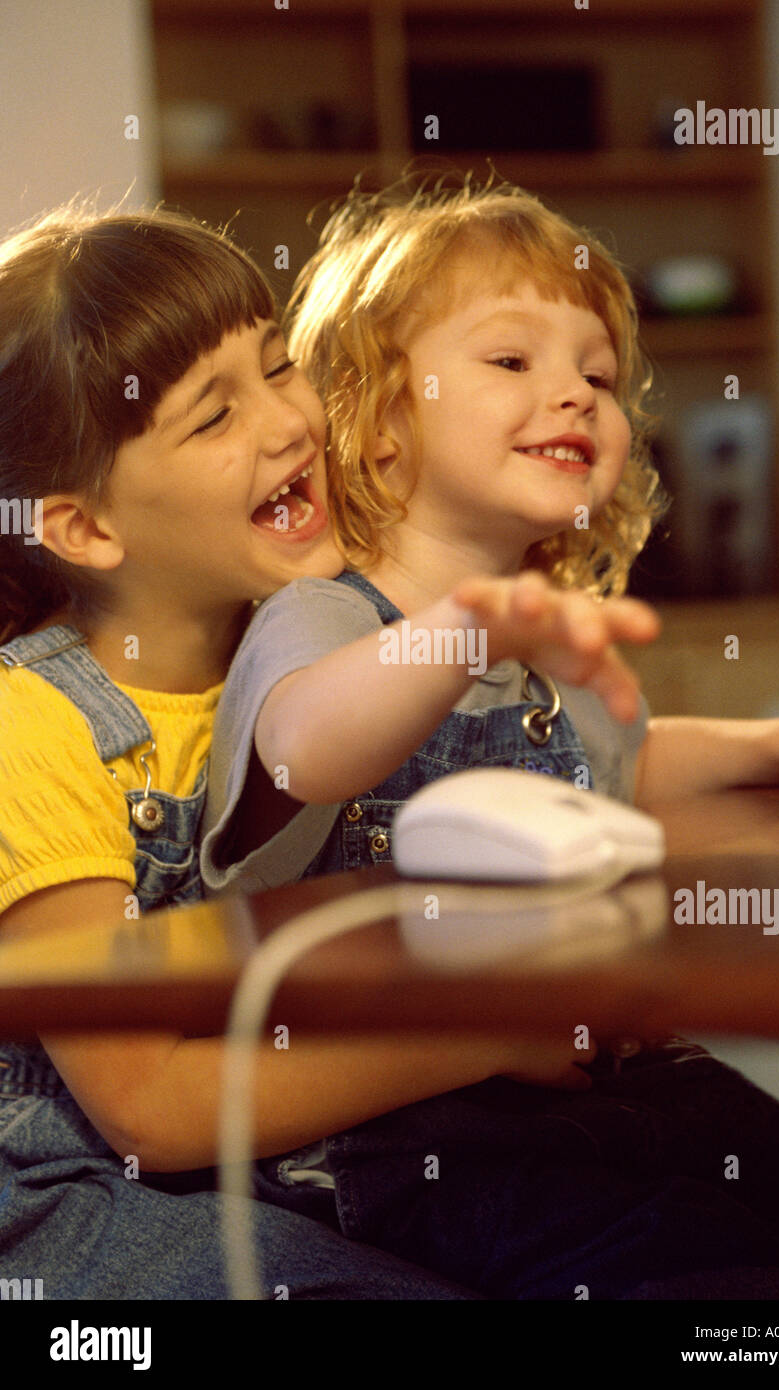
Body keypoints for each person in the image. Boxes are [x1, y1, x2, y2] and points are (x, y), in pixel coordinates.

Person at [202, 178, 779, 1300]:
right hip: (404, 1135)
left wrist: (770, 746)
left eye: (595, 376)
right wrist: (461, 628)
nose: (571, 394)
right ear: (377, 417)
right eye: (511, 362)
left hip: (603, 1080)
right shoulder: (321, 619)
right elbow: (303, 752)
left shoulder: (535, 644)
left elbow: (617, 766)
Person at [0, 203, 488, 1299]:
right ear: (84, 529)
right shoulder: (32, 728)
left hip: (270, 1164)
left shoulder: (311, 663)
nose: (289, 422)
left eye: (280, 366)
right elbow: (150, 1108)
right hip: (68, 1201)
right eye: (215, 415)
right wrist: (490, 1034)